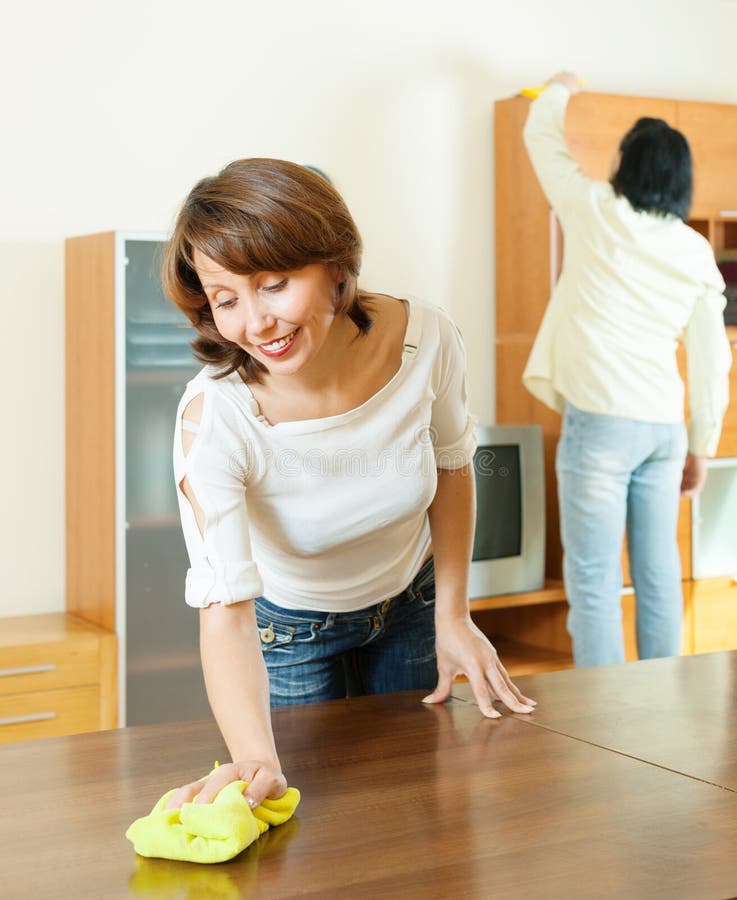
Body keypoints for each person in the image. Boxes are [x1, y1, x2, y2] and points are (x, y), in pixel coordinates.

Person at [160, 158, 536, 810]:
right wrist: (252, 757)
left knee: (422, 808)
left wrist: (453, 613)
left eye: (274, 284)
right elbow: (225, 609)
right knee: (319, 831)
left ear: (335, 265)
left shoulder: (425, 340)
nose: (256, 323)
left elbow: (451, 467)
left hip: (410, 604)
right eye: (226, 300)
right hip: (291, 633)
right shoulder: (216, 418)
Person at [522, 71, 732, 668]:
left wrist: (557, 89)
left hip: (603, 427)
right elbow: (713, 357)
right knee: (658, 570)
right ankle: (658, 707)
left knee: (593, 579)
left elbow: (543, 139)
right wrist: (701, 445)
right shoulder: (693, 249)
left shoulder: (595, 210)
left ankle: (604, 715)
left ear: (625, 164)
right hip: (664, 428)